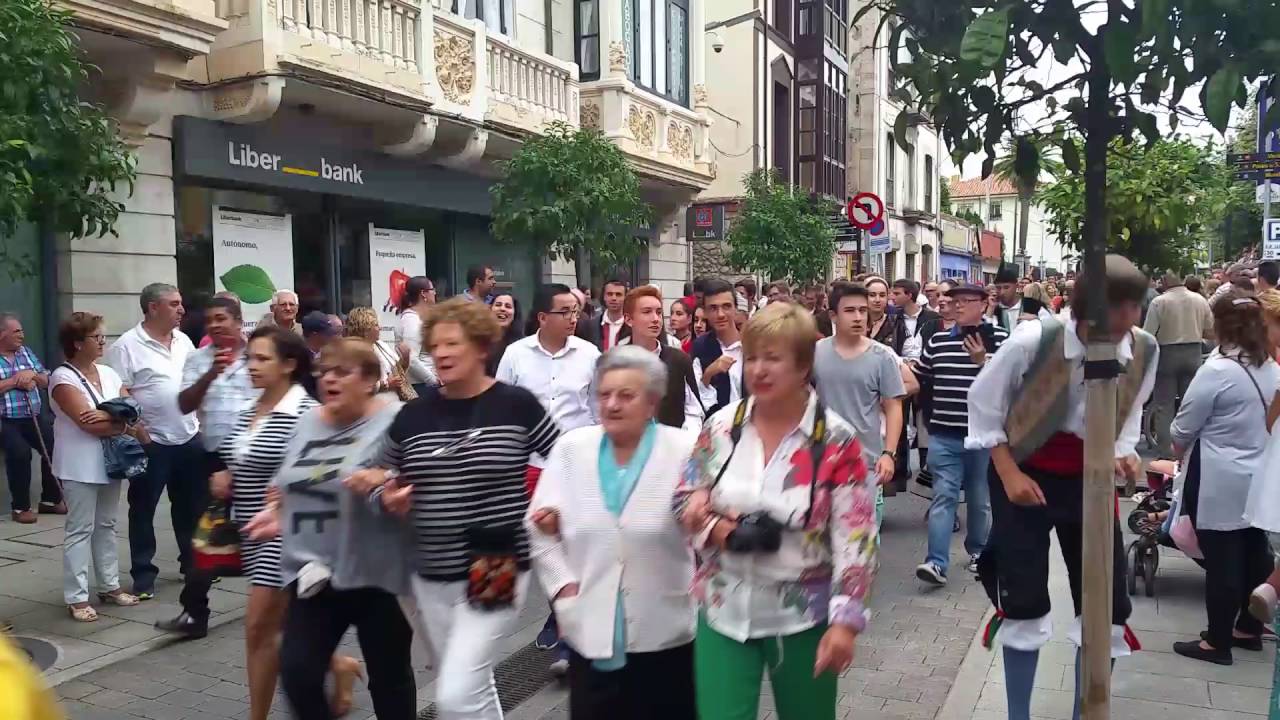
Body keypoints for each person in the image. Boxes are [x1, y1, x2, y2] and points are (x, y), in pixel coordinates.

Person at [347, 299, 560, 720]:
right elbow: (368, 472)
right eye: (435, 345)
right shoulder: (413, 415)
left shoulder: (515, 405)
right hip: (429, 569)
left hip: (494, 561)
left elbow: (567, 459)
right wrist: (383, 497)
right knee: (471, 684)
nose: (441, 353)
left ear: (481, 347)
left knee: (456, 694)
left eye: (453, 343)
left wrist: (552, 505)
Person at [967, 255, 1156, 719]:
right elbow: (984, 407)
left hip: (1089, 481)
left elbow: (1130, 411)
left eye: (1134, 308)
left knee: (1106, 604)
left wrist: (1123, 452)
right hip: (1024, 471)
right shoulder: (1033, 342)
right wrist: (1009, 475)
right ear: (1087, 308)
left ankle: (1085, 711)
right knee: (1024, 597)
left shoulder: (1144, 349)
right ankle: (1018, 715)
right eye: (1118, 309)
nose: (1128, 320)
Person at [673, 301, 877, 720]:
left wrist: (845, 622)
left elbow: (856, 539)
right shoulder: (721, 427)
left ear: (803, 367)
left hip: (802, 616)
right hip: (724, 607)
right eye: (752, 358)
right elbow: (682, 498)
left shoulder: (835, 439)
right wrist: (715, 528)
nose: (759, 370)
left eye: (773, 358)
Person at [244, 338, 416, 719]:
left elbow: (418, 472)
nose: (329, 380)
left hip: (378, 573)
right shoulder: (308, 421)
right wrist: (276, 510)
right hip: (316, 573)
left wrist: (389, 484)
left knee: (390, 679)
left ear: (369, 380)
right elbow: (287, 480)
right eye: (324, 372)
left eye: (342, 372)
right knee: (299, 674)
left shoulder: (397, 419)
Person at [526, 346, 698, 720]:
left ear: (652, 402)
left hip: (665, 632)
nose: (612, 404)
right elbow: (537, 528)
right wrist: (562, 588)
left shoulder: (683, 450)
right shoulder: (572, 449)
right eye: (604, 394)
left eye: (626, 395)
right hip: (589, 631)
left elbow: (705, 528)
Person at [1170, 289, 1279, 665]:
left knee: (1222, 559)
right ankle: (1248, 628)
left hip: (1219, 477)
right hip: (1261, 475)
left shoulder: (1217, 370)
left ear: (1221, 326)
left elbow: (1183, 428)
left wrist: (1177, 445)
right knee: (1255, 550)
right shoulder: (1272, 368)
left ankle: (1217, 641)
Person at [496, 284, 599, 670]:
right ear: (542, 317)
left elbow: (596, 411)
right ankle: (556, 614)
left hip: (575, 466)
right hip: (531, 465)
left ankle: (568, 636)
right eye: (565, 312)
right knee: (537, 549)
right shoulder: (515, 354)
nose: (574, 318)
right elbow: (502, 407)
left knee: (573, 548)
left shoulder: (589, 355)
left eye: (576, 311)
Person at [155, 296, 259, 634]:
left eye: (221, 318)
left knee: (265, 531)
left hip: (259, 457)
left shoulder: (259, 355)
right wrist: (211, 374)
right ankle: (194, 613)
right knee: (202, 536)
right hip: (213, 461)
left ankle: (287, 601)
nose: (214, 325)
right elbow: (184, 404)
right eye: (210, 319)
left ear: (238, 321)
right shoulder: (197, 359)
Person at [106, 283, 204, 601]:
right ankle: (144, 575)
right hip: (153, 442)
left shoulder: (183, 340)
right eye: (174, 303)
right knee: (143, 509)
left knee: (190, 507)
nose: (182, 309)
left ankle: (193, 566)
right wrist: (139, 430)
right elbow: (119, 391)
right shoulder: (126, 346)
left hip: (188, 436)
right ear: (152, 307)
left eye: (180, 302)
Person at [912, 282, 1007, 585]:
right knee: (944, 497)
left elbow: (1009, 384)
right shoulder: (938, 340)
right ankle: (936, 563)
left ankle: (978, 552)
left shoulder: (1001, 339)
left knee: (979, 499)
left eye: (967, 300)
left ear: (983, 304)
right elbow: (919, 376)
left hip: (982, 437)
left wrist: (982, 362)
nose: (959, 306)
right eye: (956, 301)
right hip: (944, 434)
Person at [51, 313, 143, 621]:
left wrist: (108, 416)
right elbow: (87, 424)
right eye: (97, 337)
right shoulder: (62, 378)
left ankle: (109, 585)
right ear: (77, 343)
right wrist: (121, 420)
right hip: (78, 464)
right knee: (80, 529)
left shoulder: (108, 373)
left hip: (110, 463)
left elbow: (134, 410)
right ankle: (77, 597)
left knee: (106, 525)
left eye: (103, 336)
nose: (103, 342)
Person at [814, 283, 914, 524]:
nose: (858, 317)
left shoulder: (882, 356)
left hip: (866, 461)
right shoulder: (815, 352)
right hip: (822, 459)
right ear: (833, 316)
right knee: (822, 534)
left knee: (862, 535)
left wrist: (889, 454)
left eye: (862, 310)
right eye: (850, 311)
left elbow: (893, 406)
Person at [1143, 272, 1215, 457]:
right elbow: (1210, 331)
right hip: (1193, 353)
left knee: (1164, 405)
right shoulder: (1199, 300)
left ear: (1164, 281)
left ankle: (1166, 450)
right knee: (1190, 402)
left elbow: (1148, 334)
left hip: (1166, 354)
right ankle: (1190, 448)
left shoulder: (1159, 302)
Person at [0, 312, 63, 523]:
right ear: (1, 334)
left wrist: (33, 375)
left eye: (22, 330)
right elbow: (16, 381)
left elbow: (46, 379)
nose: (22, 335)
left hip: (31, 415)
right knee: (20, 452)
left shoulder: (25, 353)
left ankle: (50, 499)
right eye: (16, 331)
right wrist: (15, 381)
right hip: (4, 420)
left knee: (55, 445)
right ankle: (20, 507)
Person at [618, 287, 703, 433]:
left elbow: (693, 409)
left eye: (658, 312)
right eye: (647, 312)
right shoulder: (617, 362)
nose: (656, 319)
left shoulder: (679, 360)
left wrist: (685, 437)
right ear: (629, 319)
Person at [344, 307, 433, 397]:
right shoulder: (354, 353)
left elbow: (397, 372)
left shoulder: (381, 345)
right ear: (365, 329)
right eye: (376, 325)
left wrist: (405, 360)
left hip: (392, 399)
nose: (380, 328)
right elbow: (357, 386)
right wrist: (385, 385)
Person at [690, 279, 744, 416]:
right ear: (705, 312)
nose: (720, 314)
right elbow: (696, 398)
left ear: (735, 309)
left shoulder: (752, 344)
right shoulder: (700, 347)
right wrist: (708, 374)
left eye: (726, 306)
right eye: (713, 308)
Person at [395, 276, 440, 390]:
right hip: (421, 385)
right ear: (423, 293)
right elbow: (411, 358)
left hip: (425, 382)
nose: (435, 293)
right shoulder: (411, 320)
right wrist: (433, 380)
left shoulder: (418, 318)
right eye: (432, 289)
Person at [485, 292, 523, 376]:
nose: (502, 309)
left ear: (515, 314)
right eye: (498, 305)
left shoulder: (522, 347)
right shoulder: (477, 342)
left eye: (508, 306)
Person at [585, 277, 628, 351]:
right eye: (610, 294)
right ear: (604, 297)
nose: (614, 298)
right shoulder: (589, 326)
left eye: (618, 294)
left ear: (625, 297)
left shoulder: (632, 327)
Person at [993, 265, 1021, 331]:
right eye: (998, 288)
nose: (1002, 292)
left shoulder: (1029, 307)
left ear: (1017, 286)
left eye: (1006, 287)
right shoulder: (993, 308)